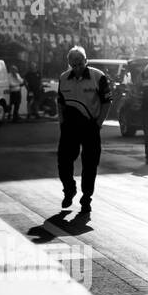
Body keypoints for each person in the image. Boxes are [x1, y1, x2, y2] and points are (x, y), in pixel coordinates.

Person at [56, 46, 112, 218]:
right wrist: (61, 121)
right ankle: (69, 189)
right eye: (73, 65)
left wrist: (99, 123)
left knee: (90, 164)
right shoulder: (64, 78)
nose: (77, 68)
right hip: (69, 127)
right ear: (69, 64)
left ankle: (86, 198)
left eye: (80, 63)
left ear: (86, 61)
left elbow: (107, 102)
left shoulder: (98, 77)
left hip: (90, 127)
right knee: (63, 161)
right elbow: (60, 102)